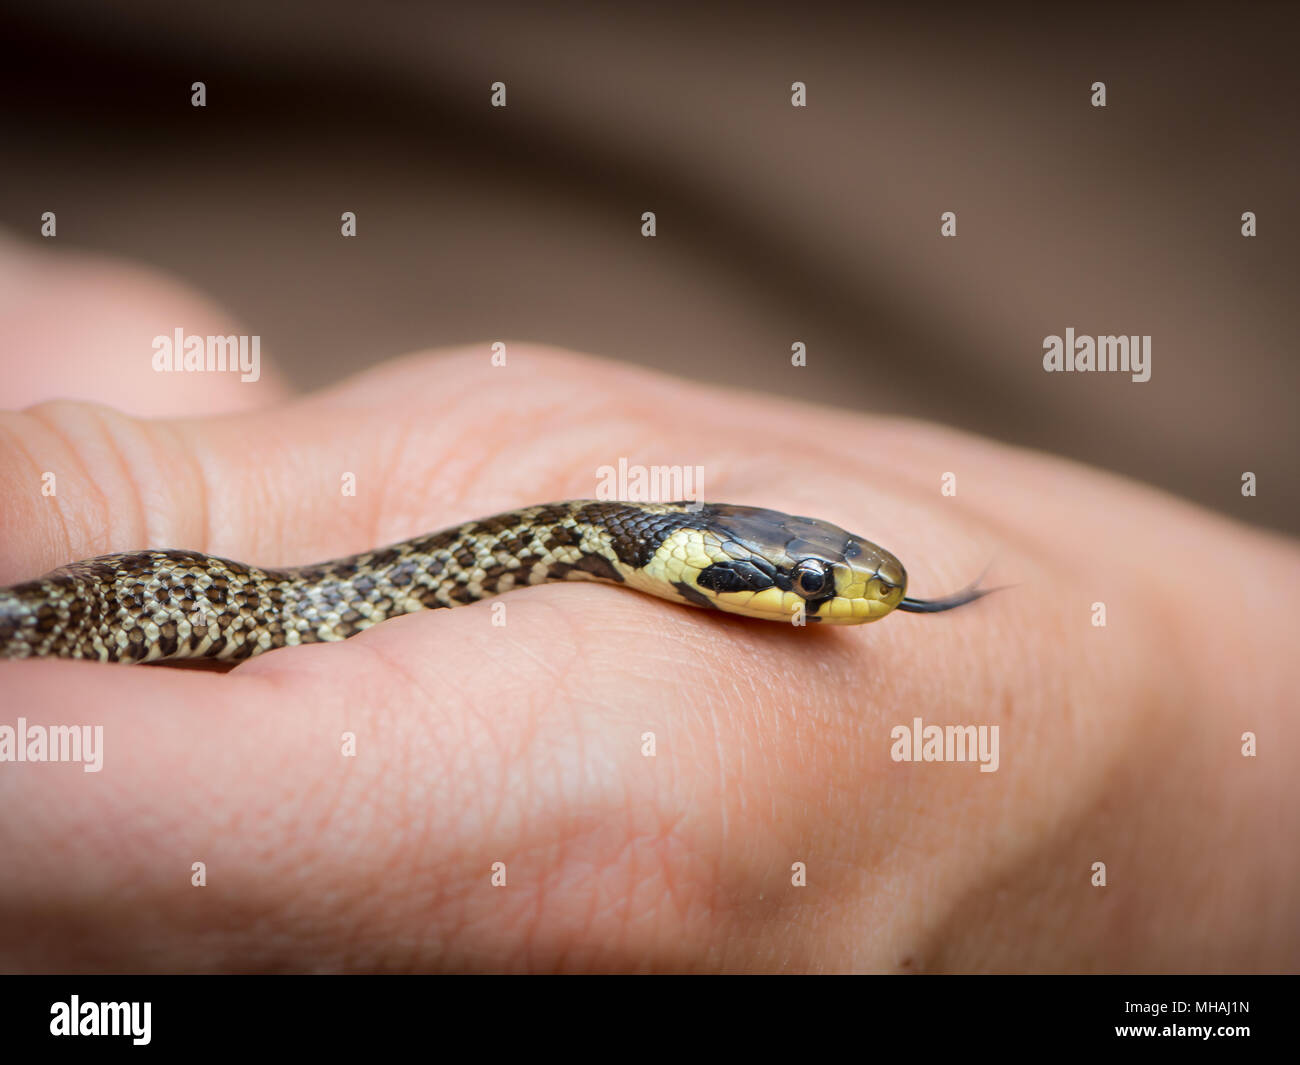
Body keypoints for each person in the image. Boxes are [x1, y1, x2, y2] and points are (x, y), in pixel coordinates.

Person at [2, 245, 1297, 972]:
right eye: (805, 581)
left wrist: (1172, 755)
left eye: (820, 580)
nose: (834, 596)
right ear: (691, 562)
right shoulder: (595, 535)